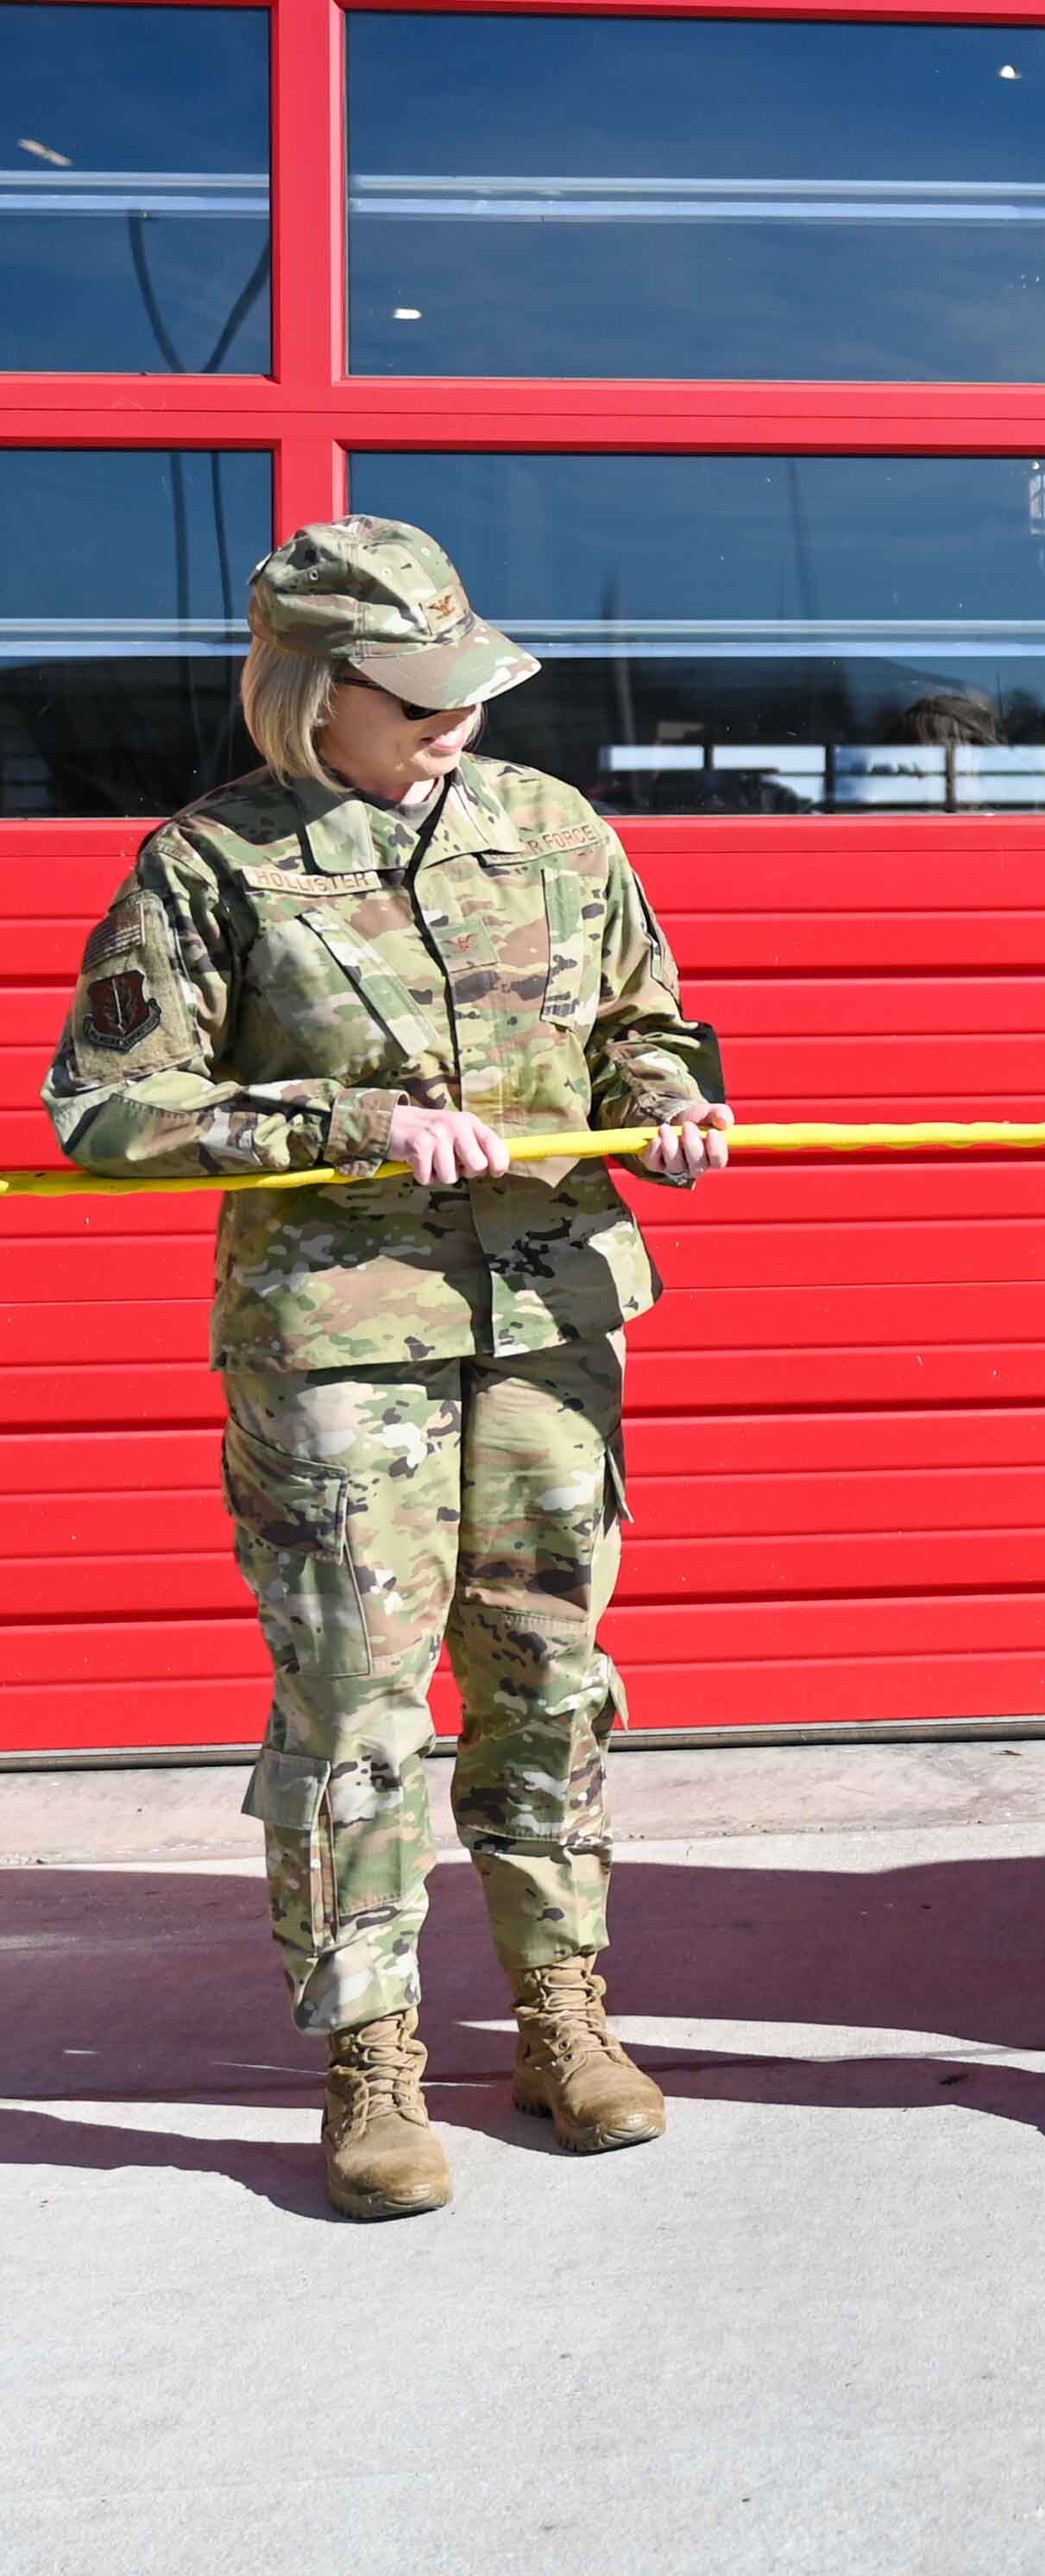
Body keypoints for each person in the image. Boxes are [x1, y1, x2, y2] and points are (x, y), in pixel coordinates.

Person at [43, 515, 734, 2220]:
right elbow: (106, 1109)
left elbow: (646, 1014)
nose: (456, 723)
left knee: (552, 1677)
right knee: (357, 1703)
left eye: (466, 688)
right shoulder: (210, 864)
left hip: (550, 1315)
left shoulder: (551, 829)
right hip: (347, 1344)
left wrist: (667, 1102)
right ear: (312, 690)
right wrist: (350, 1124)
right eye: (416, 698)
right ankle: (371, 2053)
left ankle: (565, 2016)